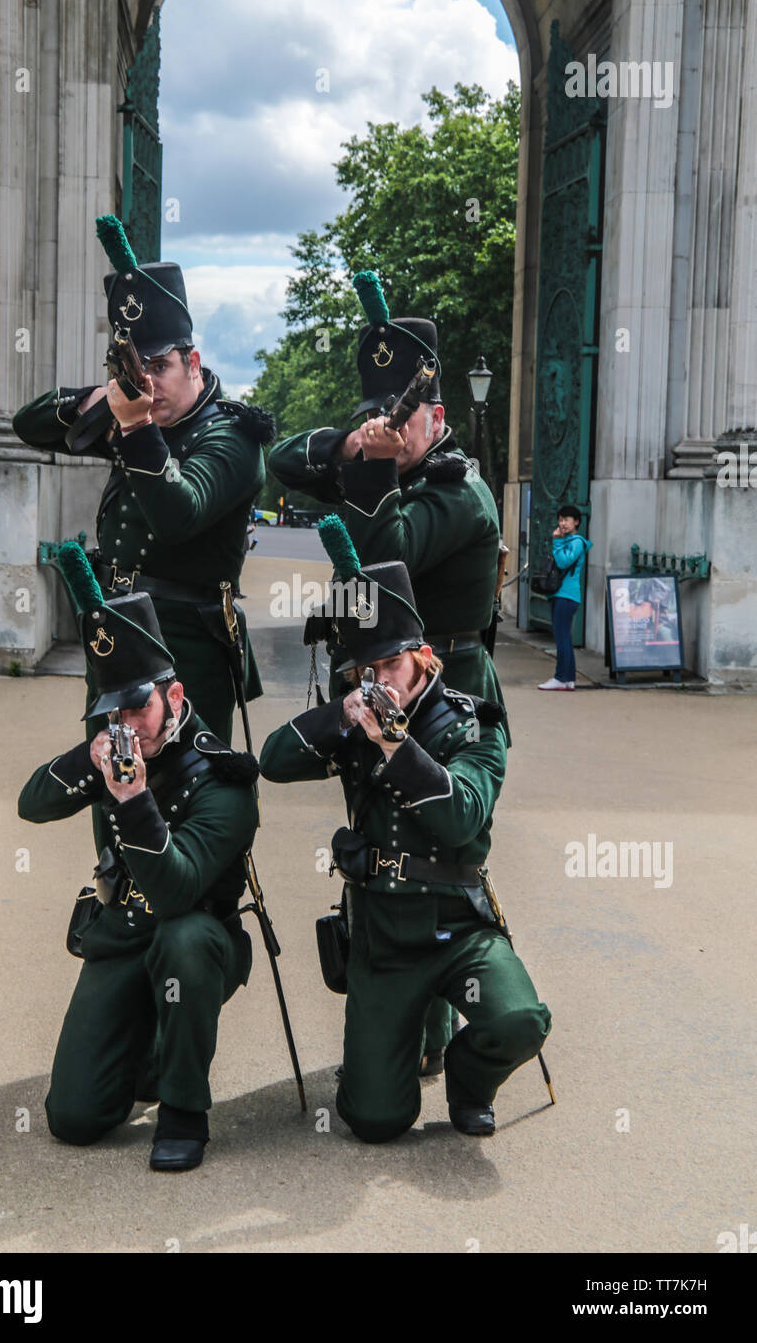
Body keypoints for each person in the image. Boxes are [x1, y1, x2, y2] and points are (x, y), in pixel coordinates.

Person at [268, 274, 509, 1069]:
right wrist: (349, 446)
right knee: (375, 823)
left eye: (406, 418)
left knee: (440, 841)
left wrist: (371, 469)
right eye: (382, 415)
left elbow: (381, 556)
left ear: (437, 418)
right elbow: (282, 461)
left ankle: (438, 1033)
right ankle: (387, 997)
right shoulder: (380, 459)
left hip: (447, 685)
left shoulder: (460, 491)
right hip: (375, 677)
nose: (392, 430)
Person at [260, 524, 551, 1143]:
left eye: (391, 664)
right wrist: (343, 715)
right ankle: (386, 1057)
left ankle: (470, 1081)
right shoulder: (355, 721)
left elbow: (463, 815)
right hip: (383, 933)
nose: (381, 682)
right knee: (374, 1120)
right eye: (365, 670)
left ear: (422, 655)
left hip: (458, 923)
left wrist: (395, 745)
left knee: (522, 1019)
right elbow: (274, 759)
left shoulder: (474, 723)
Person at [17, 550, 258, 1171]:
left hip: (198, 937)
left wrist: (133, 799)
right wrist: (86, 760)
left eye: (140, 708)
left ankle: (183, 1110)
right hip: (123, 932)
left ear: (174, 694)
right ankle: (144, 1047)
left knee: (183, 944)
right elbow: (31, 805)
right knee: (72, 1119)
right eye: (114, 713)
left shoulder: (223, 779)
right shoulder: (111, 747)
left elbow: (177, 891)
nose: (130, 727)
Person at [12, 214, 272, 743]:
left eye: (159, 367)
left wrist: (132, 422)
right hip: (117, 624)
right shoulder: (133, 411)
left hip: (187, 637)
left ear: (192, 362)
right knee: (112, 770)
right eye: (135, 372)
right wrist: (95, 401)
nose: (148, 384)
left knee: (193, 786)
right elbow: (28, 425)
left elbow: (180, 516)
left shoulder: (232, 434)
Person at [538, 504, 592, 691]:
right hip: (562, 595)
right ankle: (568, 678)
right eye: (561, 520)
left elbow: (563, 561)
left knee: (561, 637)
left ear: (576, 521)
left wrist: (556, 542)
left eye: (566, 520)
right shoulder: (569, 540)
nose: (562, 523)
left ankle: (560, 678)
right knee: (564, 638)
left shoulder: (576, 542)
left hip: (566, 595)